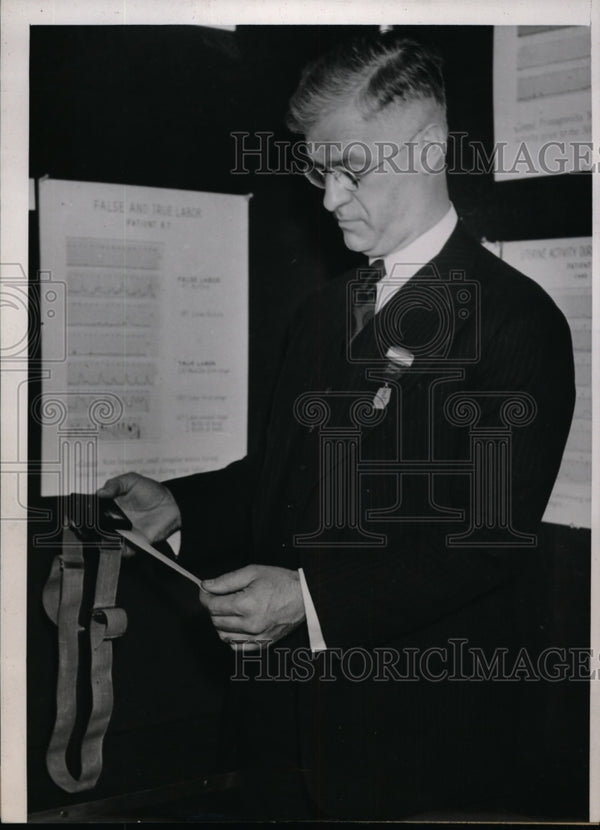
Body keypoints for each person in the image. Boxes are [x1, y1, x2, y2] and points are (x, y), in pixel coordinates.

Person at [99, 35, 575, 819]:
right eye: (318, 170)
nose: (328, 198)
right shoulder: (325, 311)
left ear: (427, 150)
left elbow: (488, 540)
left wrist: (309, 601)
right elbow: (289, 474)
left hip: (415, 747)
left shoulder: (519, 323)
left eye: (351, 168)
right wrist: (181, 504)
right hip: (280, 733)